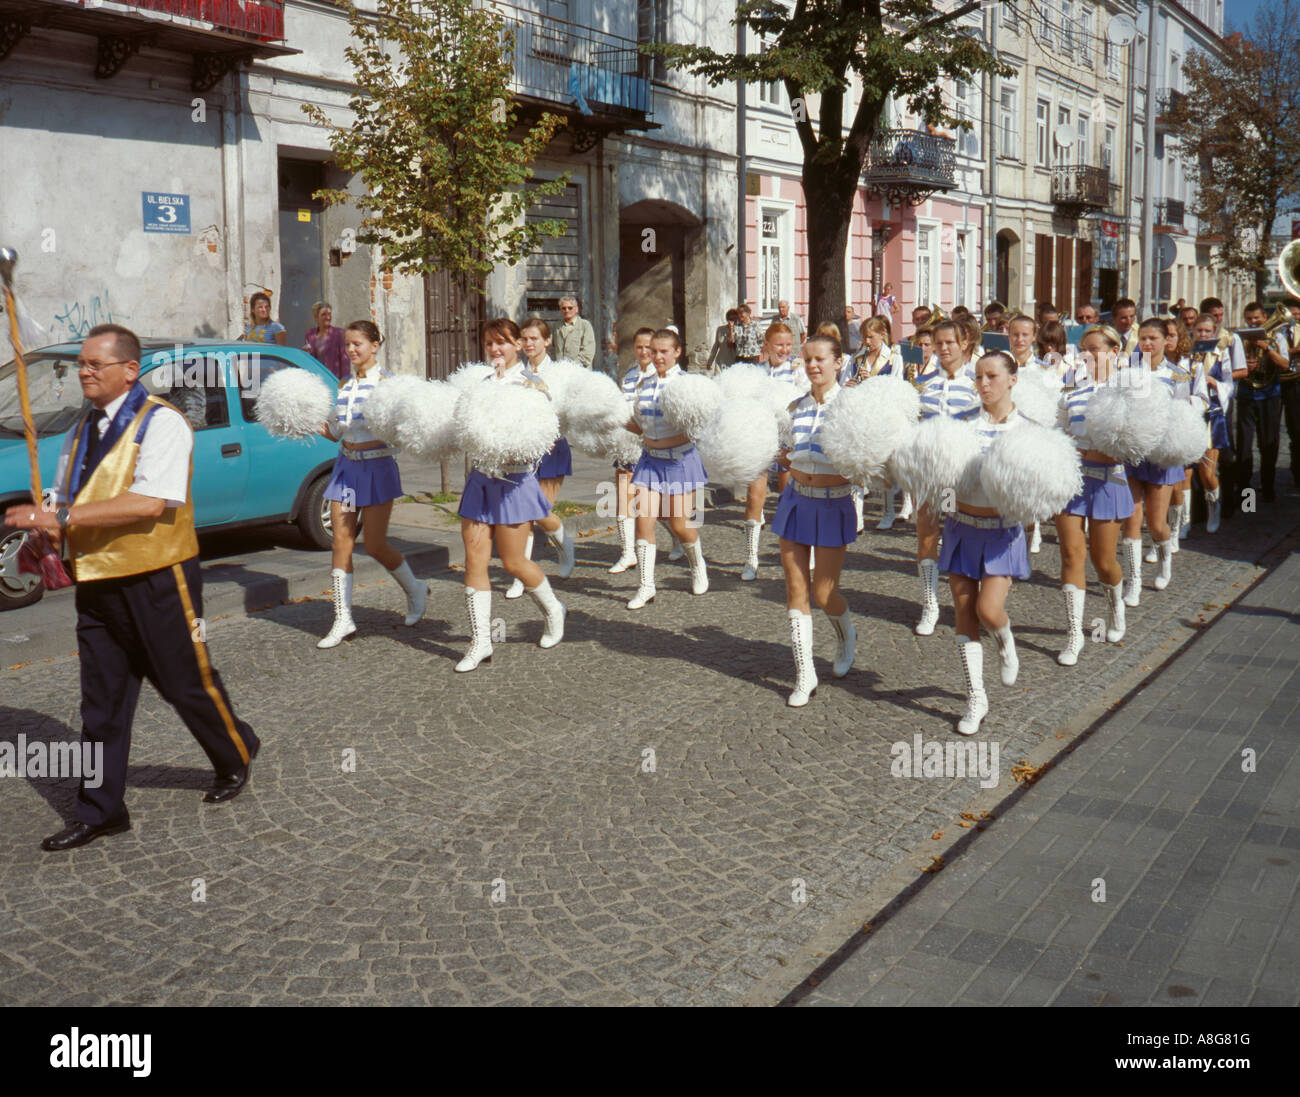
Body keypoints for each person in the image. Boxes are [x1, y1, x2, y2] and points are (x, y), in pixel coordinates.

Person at [5, 324, 260, 851]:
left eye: (95, 364)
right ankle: (101, 810)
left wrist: (67, 514)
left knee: (184, 681)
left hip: (158, 576)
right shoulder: (79, 430)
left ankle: (235, 752)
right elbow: (67, 493)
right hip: (98, 580)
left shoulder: (163, 423)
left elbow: (150, 502)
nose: (84, 372)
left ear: (128, 370)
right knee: (100, 702)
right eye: (80, 363)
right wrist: (44, 524)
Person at [456, 319, 567, 670]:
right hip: (480, 481)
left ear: (518, 345)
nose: (495, 350)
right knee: (474, 560)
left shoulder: (533, 386)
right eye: (490, 344)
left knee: (513, 562)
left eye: (502, 343)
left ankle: (553, 609)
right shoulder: (481, 385)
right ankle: (480, 642)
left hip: (515, 483)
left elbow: (541, 438)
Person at [315, 321, 428, 648]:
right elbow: (336, 432)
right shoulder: (344, 385)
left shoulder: (391, 385)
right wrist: (306, 420)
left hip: (377, 469)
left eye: (358, 344)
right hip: (346, 470)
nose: (351, 350)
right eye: (348, 345)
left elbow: (405, 432)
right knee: (342, 542)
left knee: (376, 545)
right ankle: (342, 619)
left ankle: (415, 588)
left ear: (375, 345)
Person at [940, 351, 1031, 736]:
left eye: (992, 376)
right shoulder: (960, 425)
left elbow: (1038, 491)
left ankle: (1005, 638)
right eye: (978, 377)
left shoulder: (1029, 431)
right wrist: (946, 513)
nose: (984, 384)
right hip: (962, 526)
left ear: (1012, 379)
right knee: (964, 612)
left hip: (1001, 532)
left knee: (989, 610)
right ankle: (975, 697)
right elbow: (943, 475)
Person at [772, 333, 858, 707]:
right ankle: (805, 673)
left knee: (824, 594)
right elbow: (787, 456)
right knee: (796, 590)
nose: (812, 365)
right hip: (795, 500)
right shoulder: (795, 407)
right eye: (807, 359)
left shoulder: (852, 407)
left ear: (838, 362)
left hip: (832, 503)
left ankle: (845, 634)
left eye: (820, 359)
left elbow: (864, 461)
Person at [1054, 325, 1132, 666]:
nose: (1086, 355)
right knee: (1072, 556)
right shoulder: (1071, 391)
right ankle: (1074, 635)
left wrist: (1090, 454)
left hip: (1109, 483)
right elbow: (1058, 435)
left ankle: (1115, 605)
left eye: (1094, 348)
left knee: (1104, 562)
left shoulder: (1128, 393)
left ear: (1114, 351)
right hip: (1073, 481)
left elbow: (1128, 449)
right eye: (1083, 349)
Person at [624, 328, 710, 608]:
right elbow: (639, 425)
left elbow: (695, 431)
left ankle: (697, 565)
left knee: (680, 524)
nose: (656, 356)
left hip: (679, 462)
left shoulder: (688, 385)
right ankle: (646, 586)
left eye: (663, 351)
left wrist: (656, 440)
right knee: (643, 520)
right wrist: (613, 417)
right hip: (650, 462)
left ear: (677, 352)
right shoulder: (643, 384)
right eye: (653, 351)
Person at [1120, 318, 1201, 604]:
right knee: (1131, 518)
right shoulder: (1128, 373)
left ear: (1166, 340)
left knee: (1156, 523)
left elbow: (1187, 413)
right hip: (1133, 453)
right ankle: (1134, 581)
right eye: (1143, 338)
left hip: (1162, 456)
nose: (1147, 343)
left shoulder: (1177, 375)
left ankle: (1165, 557)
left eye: (1153, 338)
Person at [913, 320, 981, 636]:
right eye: (938, 343)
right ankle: (929, 603)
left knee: (955, 531)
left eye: (949, 343)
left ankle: (966, 600)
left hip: (959, 474)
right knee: (926, 531)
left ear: (964, 342)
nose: (943, 349)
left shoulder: (977, 380)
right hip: (928, 471)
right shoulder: (926, 382)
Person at [504, 317, 577, 599]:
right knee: (524, 515)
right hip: (523, 450)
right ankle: (522, 576)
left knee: (539, 510)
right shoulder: (516, 372)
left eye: (534, 338)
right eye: (524, 339)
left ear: (547, 341)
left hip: (551, 448)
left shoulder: (558, 373)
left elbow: (563, 409)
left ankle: (565, 546)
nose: (529, 344)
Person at [741, 322, 808, 580]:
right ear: (766, 345)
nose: (785, 350)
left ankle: (796, 554)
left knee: (788, 499)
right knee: (754, 498)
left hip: (786, 443)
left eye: (789, 345)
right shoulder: (755, 373)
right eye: (779, 345)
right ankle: (750, 559)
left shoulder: (797, 372)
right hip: (759, 441)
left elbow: (804, 403)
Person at [610, 327, 658, 573]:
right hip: (628, 443)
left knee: (657, 503)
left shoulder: (659, 376)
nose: (643, 351)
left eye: (648, 347)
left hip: (652, 444)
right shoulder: (628, 375)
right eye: (639, 347)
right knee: (623, 494)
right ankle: (627, 552)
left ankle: (680, 541)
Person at [1232, 300, 1281, 503]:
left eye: (1257, 319)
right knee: (1244, 445)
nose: (1253, 323)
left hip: (1269, 396)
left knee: (1268, 444)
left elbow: (1285, 364)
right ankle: (1246, 496)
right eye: (1249, 319)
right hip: (1247, 396)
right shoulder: (1238, 340)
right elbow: (1231, 369)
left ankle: (1268, 489)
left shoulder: (1276, 337)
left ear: (1265, 318)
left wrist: (1266, 348)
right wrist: (1245, 368)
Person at [1190, 313, 1234, 533]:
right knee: (1188, 471)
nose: (1203, 335)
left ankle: (1214, 507)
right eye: (1199, 331)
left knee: (1207, 472)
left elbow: (1229, 386)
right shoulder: (1188, 354)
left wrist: (1213, 382)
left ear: (1214, 333)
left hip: (1212, 415)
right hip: (1189, 414)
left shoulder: (1221, 355)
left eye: (1208, 331)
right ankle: (1184, 521)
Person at [1265, 298, 1300, 494]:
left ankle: (1297, 475)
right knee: (1270, 433)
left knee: (1296, 431)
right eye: (1292, 314)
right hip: (1275, 382)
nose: (1294, 318)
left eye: (1297, 315)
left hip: (1295, 384)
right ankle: (1266, 481)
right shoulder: (1275, 332)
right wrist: (1293, 351)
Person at [302, 301, 348, 381]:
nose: (328, 317)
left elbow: (345, 360)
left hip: (333, 378)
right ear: (316, 317)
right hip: (316, 379)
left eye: (329, 314)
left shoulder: (339, 333)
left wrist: (345, 382)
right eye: (324, 315)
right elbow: (308, 357)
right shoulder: (310, 334)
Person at [554, 295, 596, 367]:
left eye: (570, 308)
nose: (567, 310)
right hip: (560, 371)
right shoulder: (557, 326)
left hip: (580, 371)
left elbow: (588, 352)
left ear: (576, 309)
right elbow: (552, 348)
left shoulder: (585, 326)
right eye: (564, 308)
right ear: (560, 310)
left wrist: (571, 367)